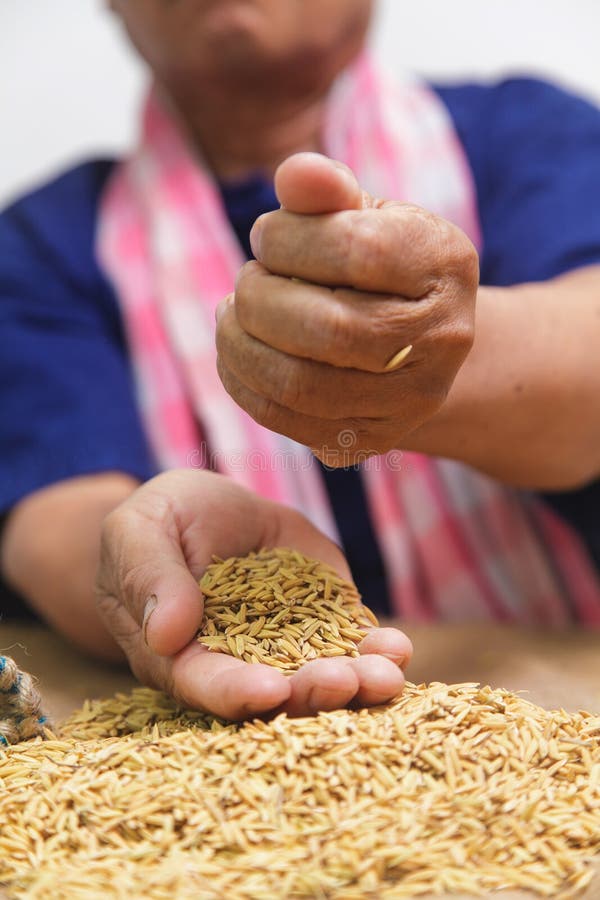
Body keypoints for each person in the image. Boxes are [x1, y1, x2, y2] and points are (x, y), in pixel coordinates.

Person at [1, 1, 599, 721]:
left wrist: (434, 351)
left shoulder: (528, 134)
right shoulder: (42, 244)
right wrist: (155, 552)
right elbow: (58, 513)